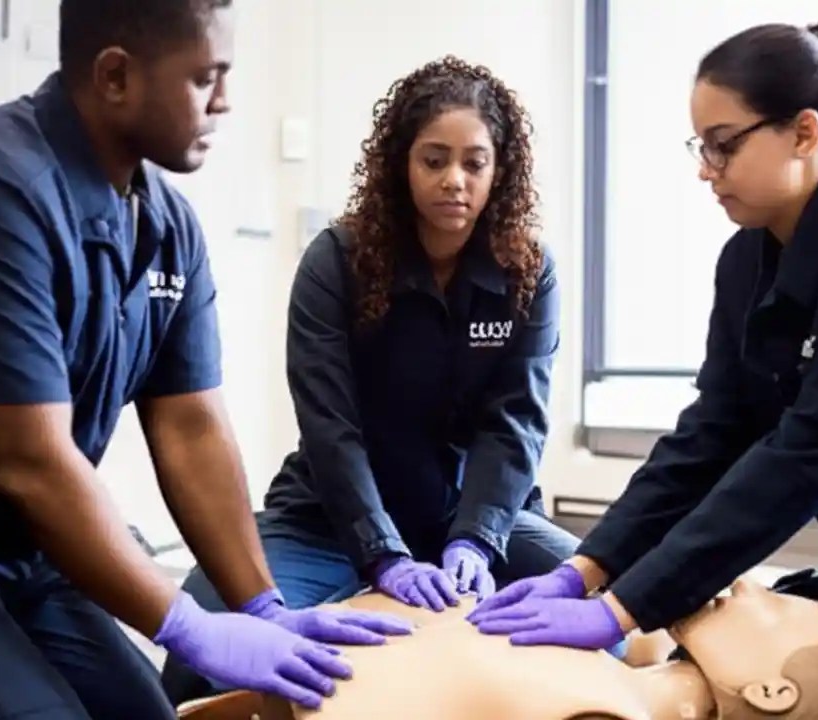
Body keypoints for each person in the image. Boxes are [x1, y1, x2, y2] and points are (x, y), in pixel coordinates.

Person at [0, 2, 412, 718]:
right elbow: (29, 462)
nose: (225, 102)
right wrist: (186, 626)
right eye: (206, 78)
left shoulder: (164, 226)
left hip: (8, 541)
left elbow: (191, 426)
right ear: (114, 77)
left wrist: (261, 605)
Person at [467, 19, 818, 719]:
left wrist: (620, 610)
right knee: (734, 672)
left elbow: (809, 457)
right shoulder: (748, 258)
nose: (705, 168)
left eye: (723, 146)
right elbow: (709, 435)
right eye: (700, 146)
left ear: (803, 133)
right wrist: (583, 570)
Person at [162, 54, 581, 702]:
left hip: (472, 516)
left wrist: (476, 538)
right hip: (331, 517)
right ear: (401, 163)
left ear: (501, 169)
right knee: (208, 655)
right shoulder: (336, 261)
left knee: (596, 620)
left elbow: (517, 419)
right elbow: (330, 427)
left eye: (475, 162)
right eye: (434, 159)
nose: (455, 181)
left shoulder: (530, 270)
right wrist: (381, 554)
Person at [181, 573, 818, 720]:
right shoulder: (623, 671)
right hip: (284, 677)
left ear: (773, 695)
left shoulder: (618, 712)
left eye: (771, 606)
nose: (744, 586)